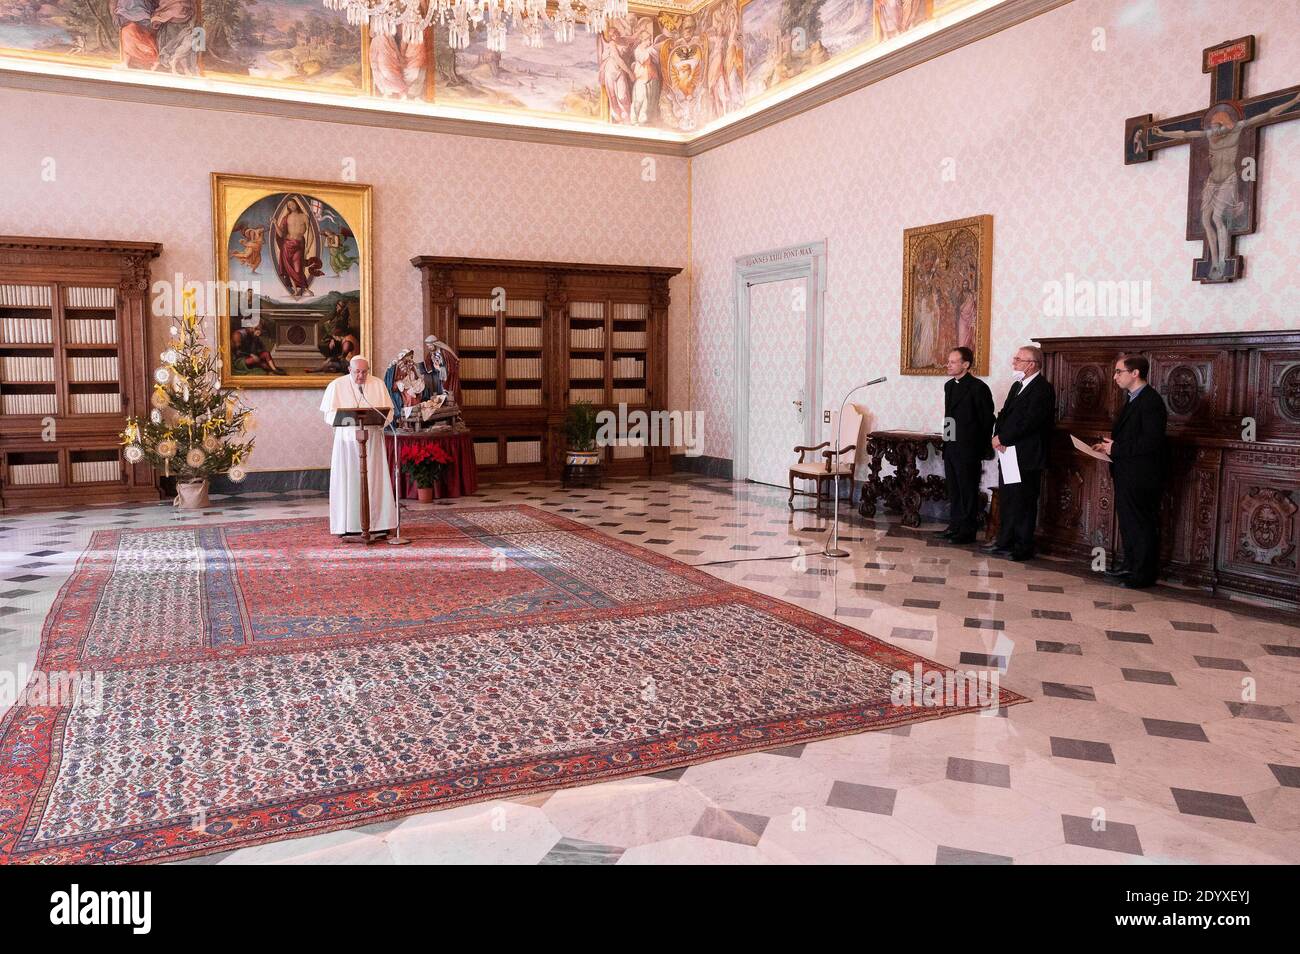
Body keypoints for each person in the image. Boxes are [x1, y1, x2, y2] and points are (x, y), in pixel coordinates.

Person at [1093, 354, 1168, 589]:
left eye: (1119, 372)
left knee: (1141, 523)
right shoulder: (1133, 398)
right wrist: (1108, 446)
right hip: (1127, 471)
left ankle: (1142, 573)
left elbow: (1151, 442)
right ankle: (1130, 565)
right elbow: (1130, 435)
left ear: (1135, 373)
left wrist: (1117, 448)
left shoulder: (1150, 401)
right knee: (1128, 522)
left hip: (1141, 474)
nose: (1115, 377)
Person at [984, 345, 1055, 561]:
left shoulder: (1043, 389)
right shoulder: (1017, 386)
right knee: (1008, 498)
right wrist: (998, 436)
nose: (1014, 363)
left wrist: (1004, 438)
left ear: (1032, 364)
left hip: (1026, 455)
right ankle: (1005, 540)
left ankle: (1023, 546)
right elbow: (1004, 414)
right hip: (1008, 453)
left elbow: (1030, 422)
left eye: (1018, 359)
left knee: (1024, 501)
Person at [319, 356, 397, 539]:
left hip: (373, 441)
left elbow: (389, 412)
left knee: (375, 478)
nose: (361, 376)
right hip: (347, 442)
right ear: (349, 370)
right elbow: (329, 415)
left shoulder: (377, 384)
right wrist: (349, 420)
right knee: (348, 478)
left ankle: (379, 523)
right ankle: (347, 525)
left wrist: (381, 420)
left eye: (364, 372)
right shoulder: (337, 385)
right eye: (357, 372)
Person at [937, 346, 994, 544]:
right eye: (948, 361)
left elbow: (987, 420)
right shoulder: (949, 386)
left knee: (968, 489)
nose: (948, 365)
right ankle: (954, 525)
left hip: (970, 448)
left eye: (953, 362)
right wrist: (947, 440)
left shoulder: (978, 388)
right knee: (954, 488)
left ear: (965, 365)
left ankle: (967, 530)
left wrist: (981, 447)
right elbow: (949, 416)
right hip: (952, 446)